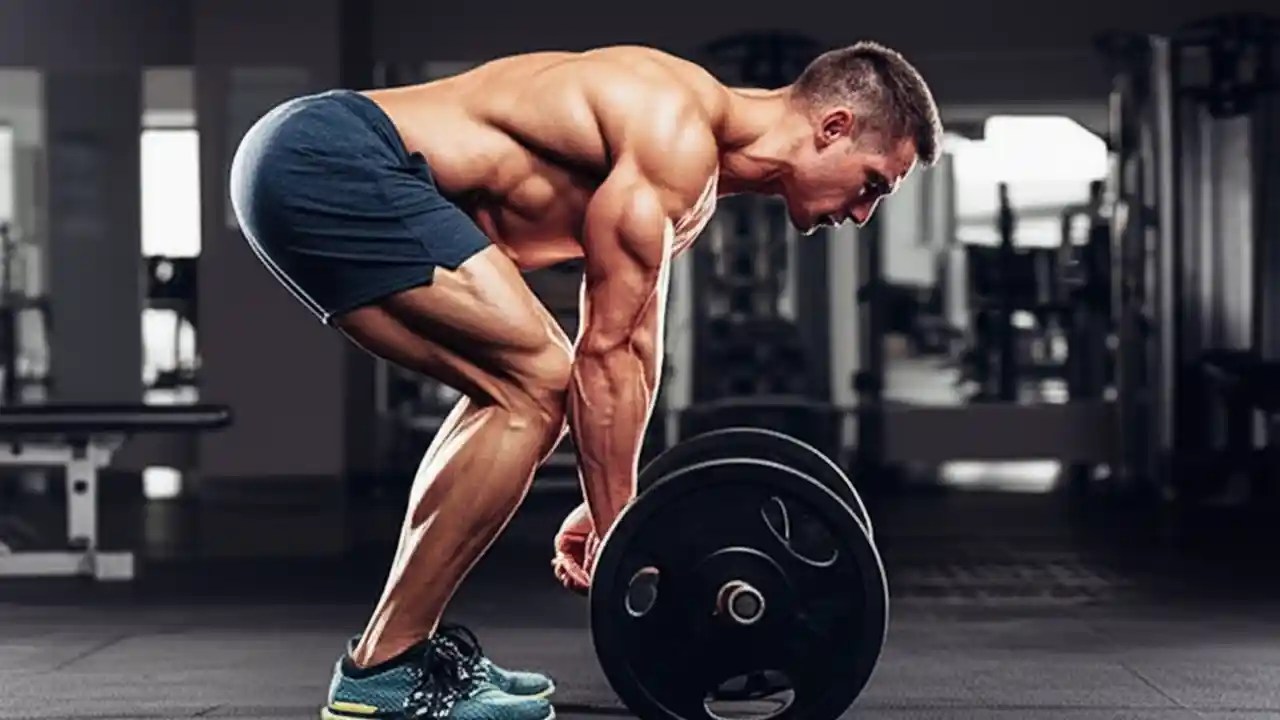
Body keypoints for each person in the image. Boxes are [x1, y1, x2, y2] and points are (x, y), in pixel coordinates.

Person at [229, 40, 942, 720]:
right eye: (873, 184)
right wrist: (620, 529)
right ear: (833, 127)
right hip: (332, 157)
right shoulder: (674, 129)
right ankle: (387, 668)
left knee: (516, 389)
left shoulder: (690, 179)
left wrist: (609, 501)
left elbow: (634, 352)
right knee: (538, 381)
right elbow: (603, 357)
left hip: (309, 163)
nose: (862, 212)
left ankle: (394, 658)